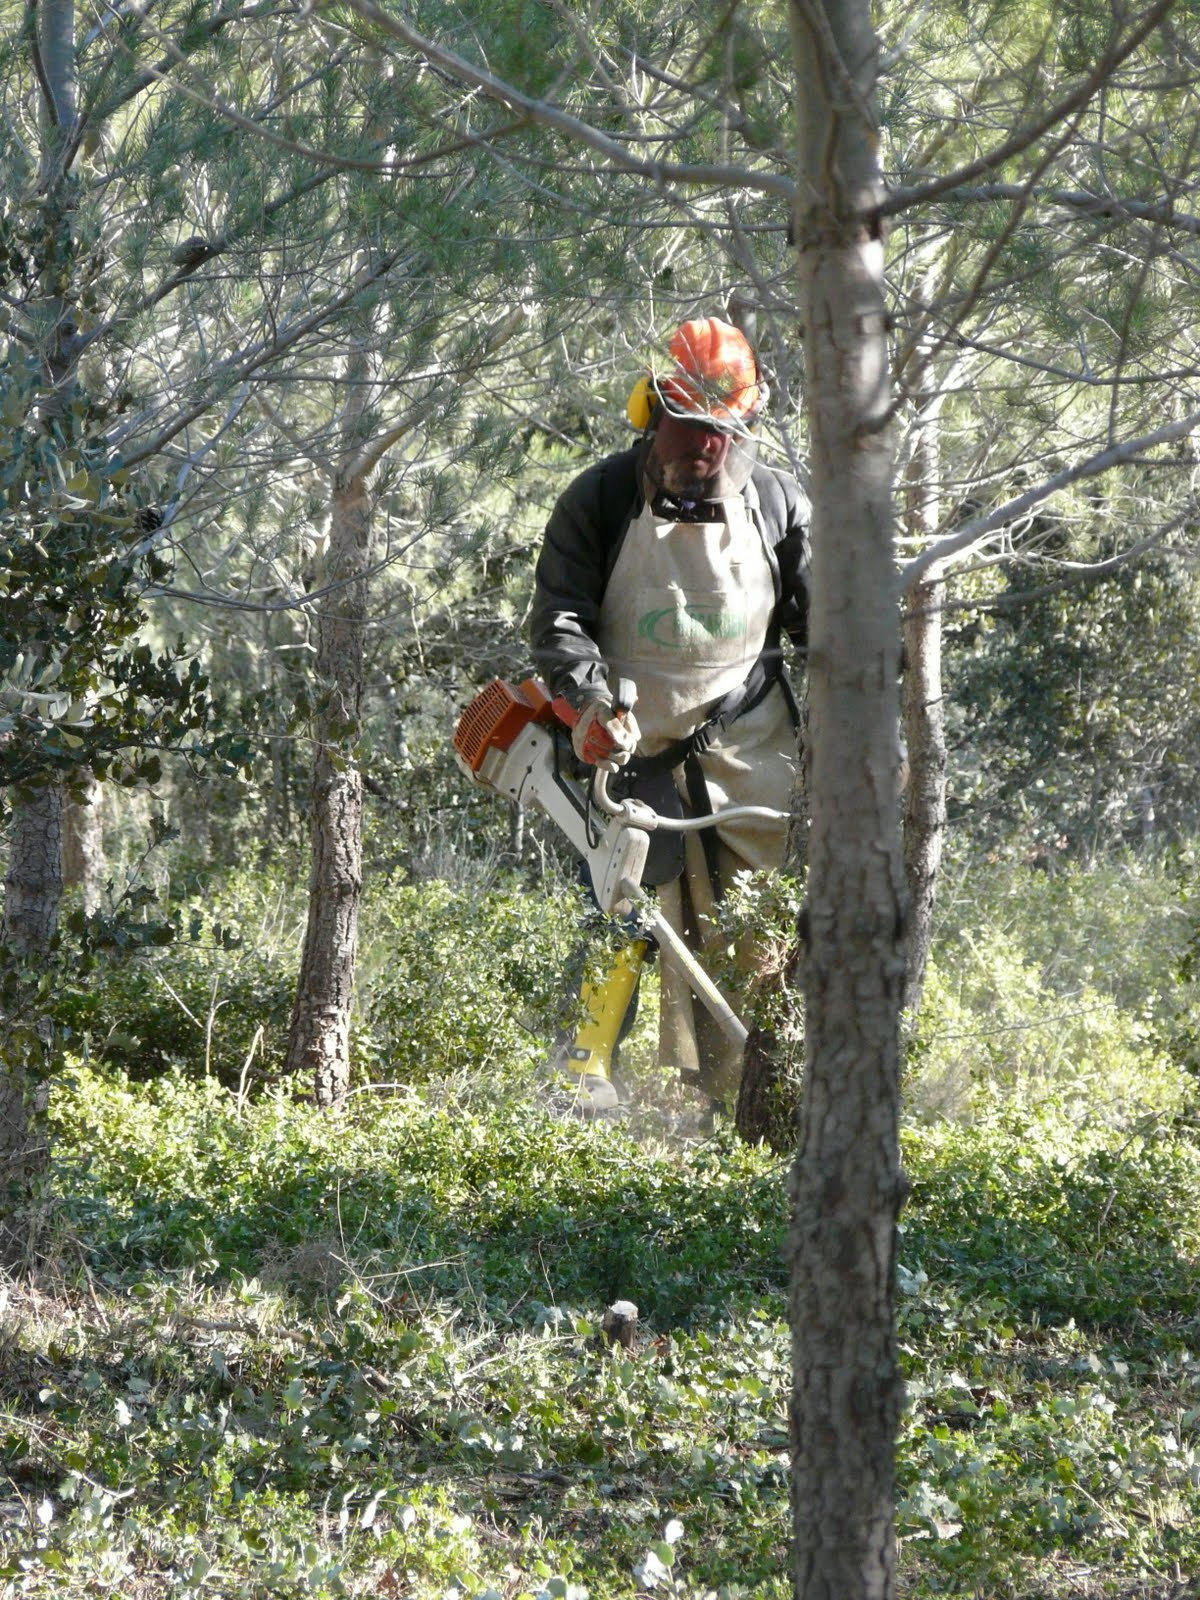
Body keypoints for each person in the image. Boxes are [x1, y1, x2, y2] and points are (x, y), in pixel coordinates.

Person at [529, 315, 810, 1109]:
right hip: (631, 743)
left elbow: (818, 626)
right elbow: (558, 618)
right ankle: (581, 1079)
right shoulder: (602, 497)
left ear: (744, 423)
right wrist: (586, 703)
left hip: (752, 743)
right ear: (655, 412)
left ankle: (758, 1096)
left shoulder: (778, 502)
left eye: (721, 430)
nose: (703, 446)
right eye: (687, 425)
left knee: (761, 922)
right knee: (628, 893)